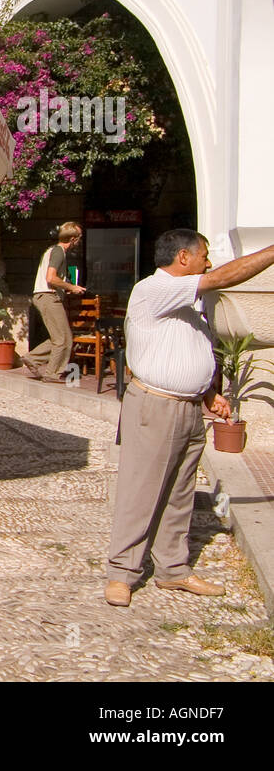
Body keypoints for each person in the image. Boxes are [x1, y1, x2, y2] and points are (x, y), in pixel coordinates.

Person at [104, 230, 274, 607]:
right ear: (183, 257)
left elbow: (180, 349)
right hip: (155, 407)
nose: (208, 263)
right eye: (204, 255)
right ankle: (122, 573)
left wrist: (209, 394)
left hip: (189, 408)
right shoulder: (154, 289)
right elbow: (222, 278)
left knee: (179, 494)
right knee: (141, 491)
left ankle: (173, 570)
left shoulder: (185, 304)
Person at [21, 222, 86, 382]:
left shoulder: (52, 251)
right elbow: (51, 278)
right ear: (73, 239)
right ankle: (51, 374)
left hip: (45, 296)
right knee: (64, 339)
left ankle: (33, 358)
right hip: (49, 296)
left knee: (60, 337)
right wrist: (72, 287)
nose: (79, 241)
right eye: (79, 238)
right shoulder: (59, 252)